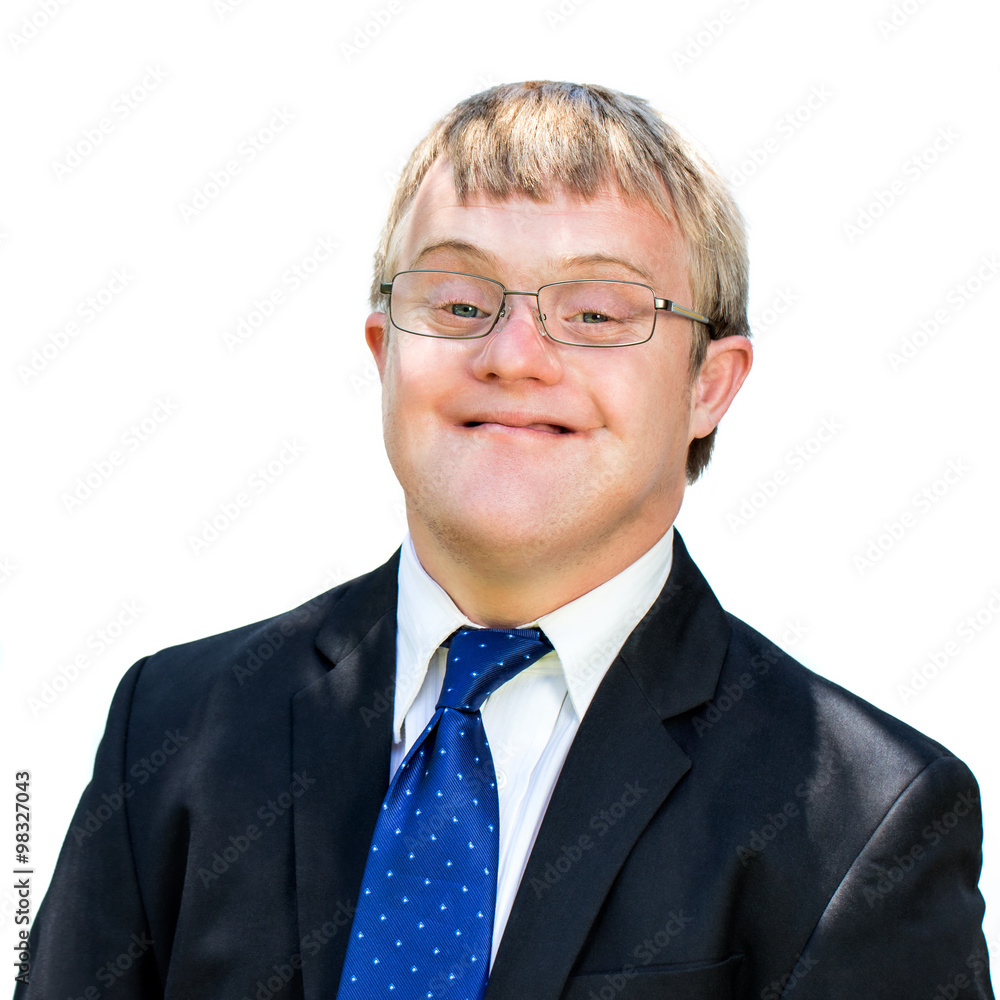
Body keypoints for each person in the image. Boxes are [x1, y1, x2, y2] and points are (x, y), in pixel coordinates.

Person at [17, 81, 993, 1000]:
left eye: (597, 312)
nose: (513, 355)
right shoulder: (176, 729)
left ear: (709, 383)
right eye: (457, 304)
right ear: (384, 352)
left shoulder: (863, 820)